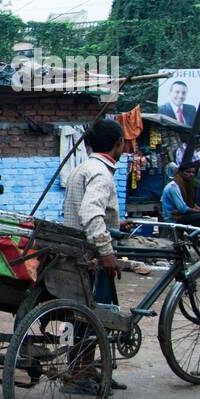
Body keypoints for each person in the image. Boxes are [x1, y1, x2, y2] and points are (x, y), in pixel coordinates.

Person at [63, 118, 125, 308]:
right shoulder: (101, 173)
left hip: (77, 251)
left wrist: (116, 224)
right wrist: (106, 252)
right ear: (119, 143)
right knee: (98, 312)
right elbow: (90, 212)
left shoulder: (82, 168)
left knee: (81, 312)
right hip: (92, 256)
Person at [161, 161, 200, 228]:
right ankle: (193, 237)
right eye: (188, 172)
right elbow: (183, 209)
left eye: (193, 172)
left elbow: (192, 205)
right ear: (180, 172)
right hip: (173, 218)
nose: (191, 174)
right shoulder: (174, 186)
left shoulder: (187, 184)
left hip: (182, 215)